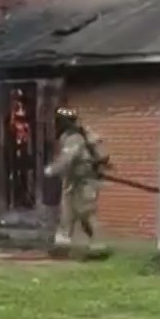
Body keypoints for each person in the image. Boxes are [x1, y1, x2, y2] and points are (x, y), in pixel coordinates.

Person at [43, 105, 108, 255]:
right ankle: (63, 241)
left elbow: (68, 158)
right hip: (74, 180)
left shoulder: (74, 137)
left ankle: (99, 244)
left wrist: (52, 169)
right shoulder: (73, 136)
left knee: (86, 212)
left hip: (84, 180)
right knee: (68, 211)